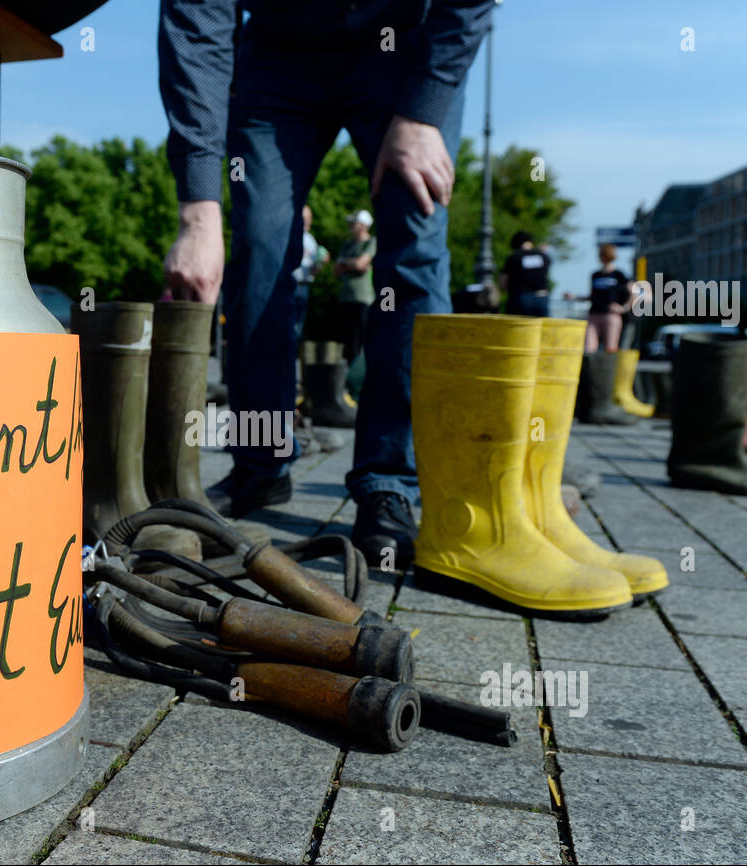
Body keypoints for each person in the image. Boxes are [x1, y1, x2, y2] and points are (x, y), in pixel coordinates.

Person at [159, 0, 495, 565]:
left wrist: (425, 110)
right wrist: (197, 208)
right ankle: (260, 462)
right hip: (275, 57)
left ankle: (389, 482)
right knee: (260, 249)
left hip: (401, 47)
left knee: (414, 250)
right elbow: (197, 25)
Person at [568, 244, 634, 353]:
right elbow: (592, 296)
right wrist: (575, 297)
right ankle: (591, 369)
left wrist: (624, 308)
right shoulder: (595, 275)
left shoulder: (619, 275)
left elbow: (633, 293)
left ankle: (608, 369)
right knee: (589, 348)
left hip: (611, 314)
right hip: (594, 314)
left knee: (610, 348)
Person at [332, 210, 376, 362]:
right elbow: (336, 270)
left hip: (363, 297)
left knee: (361, 338)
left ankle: (360, 374)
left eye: (354, 222)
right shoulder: (348, 244)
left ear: (364, 226)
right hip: (345, 297)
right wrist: (353, 264)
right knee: (347, 340)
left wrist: (346, 263)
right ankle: (349, 377)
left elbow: (360, 264)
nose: (350, 225)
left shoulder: (371, 242)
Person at [291, 204, 327, 342]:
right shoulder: (291, 235)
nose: (307, 221)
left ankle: (292, 360)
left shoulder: (311, 239)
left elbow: (314, 270)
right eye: (305, 217)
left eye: (309, 217)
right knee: (287, 324)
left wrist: (320, 263)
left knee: (298, 328)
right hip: (291, 284)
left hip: (304, 286)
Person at [499, 230, 550, 317]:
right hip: (542, 298)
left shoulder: (514, 257)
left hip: (520, 298)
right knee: (540, 328)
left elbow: (503, 283)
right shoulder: (543, 256)